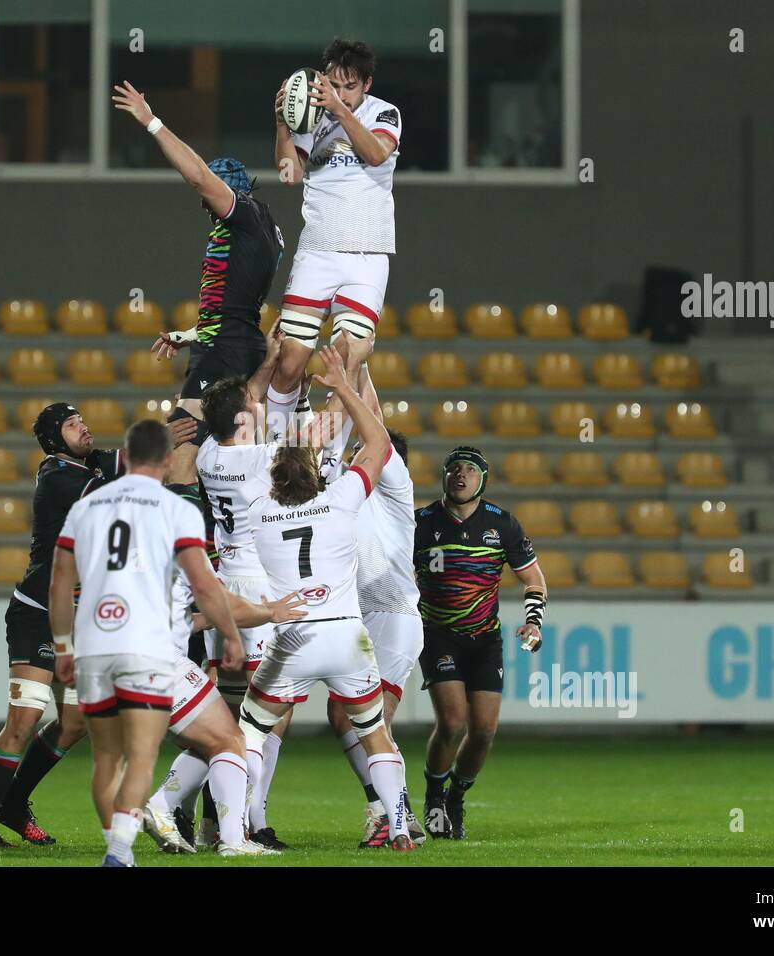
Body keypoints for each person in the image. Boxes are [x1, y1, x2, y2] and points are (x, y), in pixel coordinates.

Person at [0, 401, 195, 848]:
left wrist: (174, 433)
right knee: (24, 720)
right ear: (54, 439)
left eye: (83, 421)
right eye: (73, 425)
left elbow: (135, 460)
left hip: (78, 616)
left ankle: (14, 803)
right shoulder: (58, 477)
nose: (84, 428)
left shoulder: (88, 463)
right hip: (37, 611)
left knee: (73, 724)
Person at [239, 346, 416, 852]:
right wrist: (343, 385)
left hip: (290, 637)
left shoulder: (259, 512)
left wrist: (267, 385)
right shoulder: (340, 502)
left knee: (252, 730)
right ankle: (399, 823)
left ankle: (243, 822)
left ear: (272, 478)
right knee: (374, 730)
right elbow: (378, 442)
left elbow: (255, 443)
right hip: (346, 635)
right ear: (318, 474)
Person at [49, 420, 242, 867]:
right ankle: (119, 852)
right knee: (141, 756)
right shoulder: (177, 510)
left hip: (95, 645)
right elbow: (205, 585)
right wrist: (229, 635)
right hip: (148, 646)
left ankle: (118, 852)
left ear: (128, 454)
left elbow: (60, 583)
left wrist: (63, 647)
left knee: (107, 759)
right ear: (169, 459)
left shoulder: (89, 505)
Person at [111, 77, 284, 483]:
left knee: (182, 443)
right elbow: (234, 302)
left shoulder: (244, 216)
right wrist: (189, 335)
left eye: (210, 197)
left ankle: (186, 538)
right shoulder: (259, 228)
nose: (204, 203)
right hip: (233, 342)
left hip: (224, 350)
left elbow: (199, 177)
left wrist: (152, 121)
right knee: (229, 451)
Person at [140, 480, 305, 857]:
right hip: (157, 663)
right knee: (232, 739)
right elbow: (226, 604)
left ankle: (165, 807)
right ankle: (232, 840)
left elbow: (181, 615)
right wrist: (270, 612)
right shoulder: (182, 554)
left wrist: (197, 622)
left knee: (210, 741)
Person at [268, 36, 402, 441]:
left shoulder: (386, 113)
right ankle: (276, 447)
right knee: (290, 360)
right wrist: (283, 126)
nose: (339, 92)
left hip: (368, 254)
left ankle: (322, 461)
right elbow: (289, 174)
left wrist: (339, 110)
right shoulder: (311, 115)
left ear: (367, 85)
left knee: (347, 359)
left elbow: (377, 154)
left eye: (349, 86)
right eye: (334, 83)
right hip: (317, 251)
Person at [415, 448, 547, 840]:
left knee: (485, 731)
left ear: (482, 480)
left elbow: (534, 579)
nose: (461, 475)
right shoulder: (419, 523)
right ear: (445, 476)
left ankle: (456, 795)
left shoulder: (502, 524)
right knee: (453, 722)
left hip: (485, 639)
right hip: (437, 635)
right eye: (455, 468)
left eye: (471, 470)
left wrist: (533, 623)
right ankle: (434, 796)